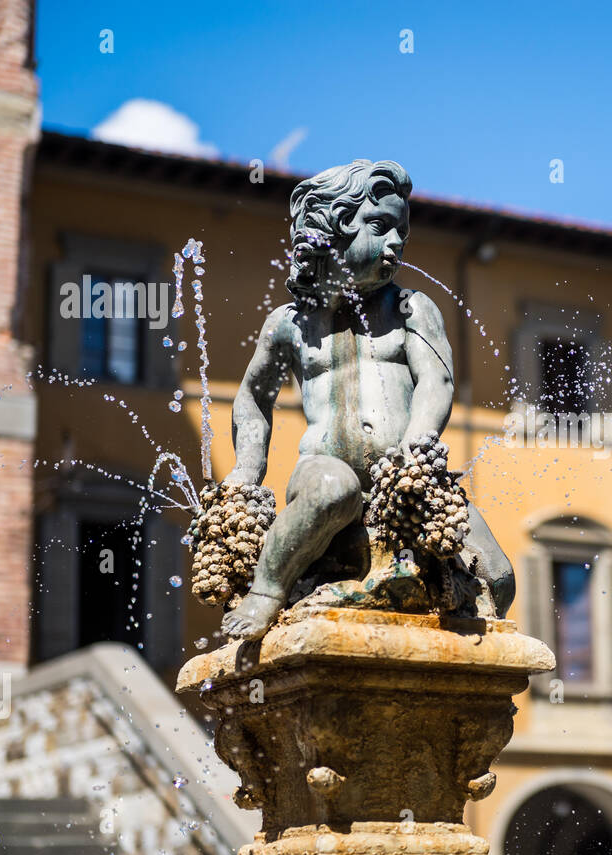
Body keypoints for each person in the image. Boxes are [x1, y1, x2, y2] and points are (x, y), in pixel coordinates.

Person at [219, 160, 513, 638]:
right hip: (324, 467)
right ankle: (267, 590)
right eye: (381, 226)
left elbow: (436, 382)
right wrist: (246, 471)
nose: (396, 243)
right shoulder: (289, 324)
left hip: (407, 477)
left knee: (497, 577)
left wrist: (418, 445)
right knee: (333, 491)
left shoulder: (411, 308)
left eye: (402, 232)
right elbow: (254, 396)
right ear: (333, 227)